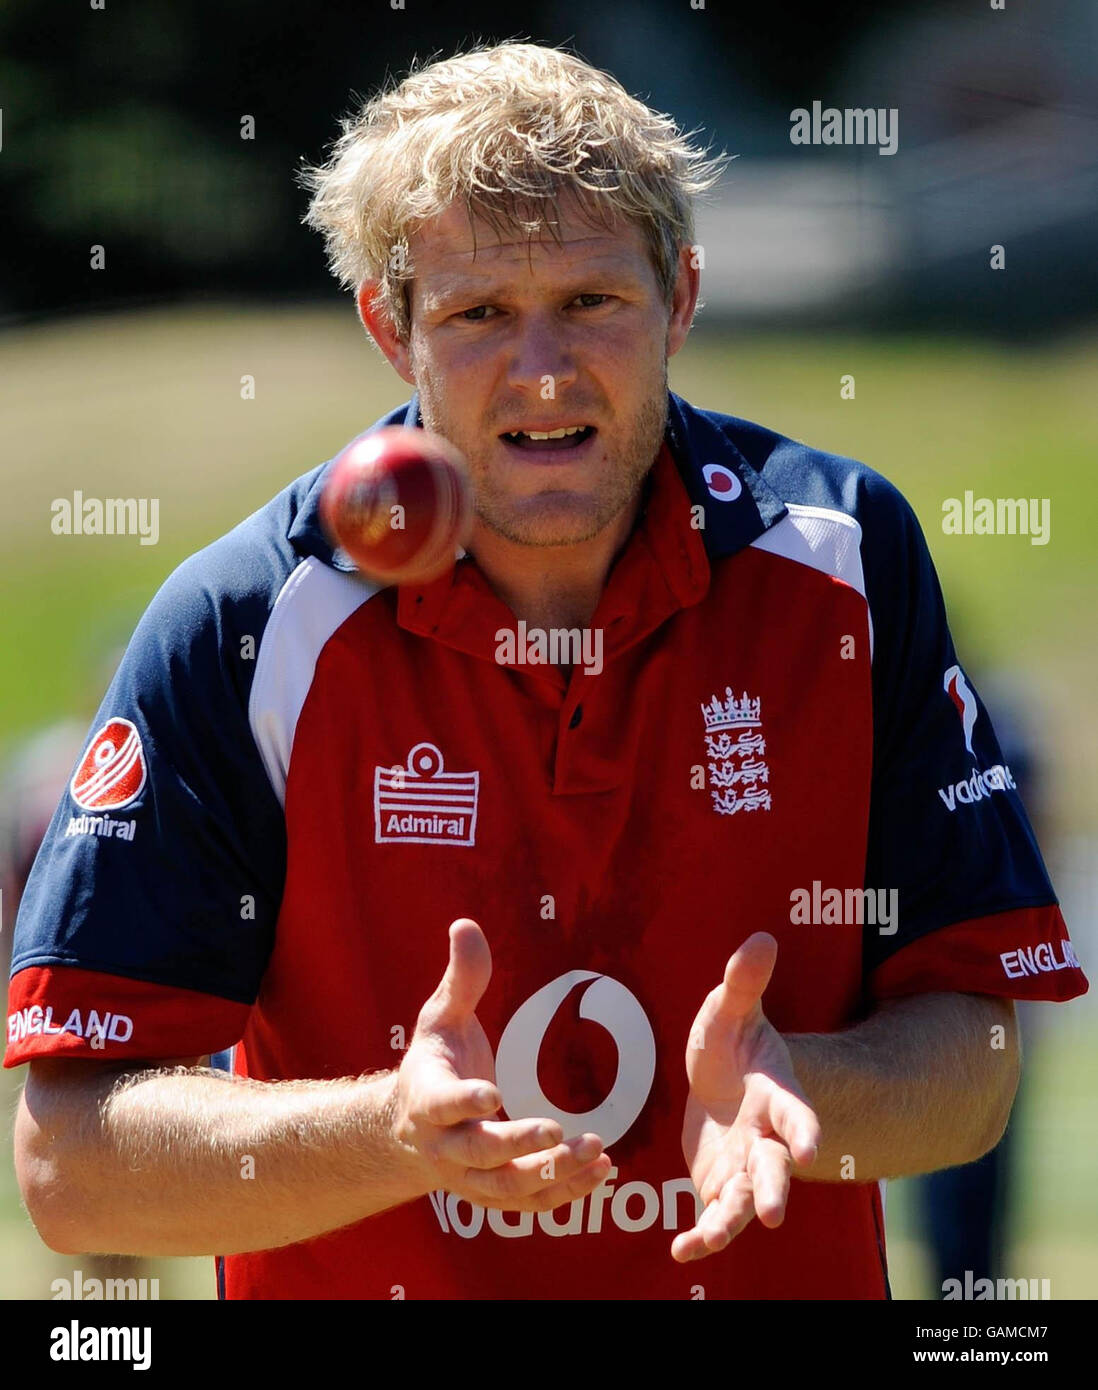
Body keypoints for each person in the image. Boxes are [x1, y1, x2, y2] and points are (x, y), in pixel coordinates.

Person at [6, 40, 1087, 1301]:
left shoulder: (844, 562)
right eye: (477, 316)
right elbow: (70, 1166)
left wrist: (806, 1079)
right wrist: (388, 1134)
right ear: (388, 324)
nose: (545, 374)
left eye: (590, 302)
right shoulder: (246, 617)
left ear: (679, 297)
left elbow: (977, 1056)